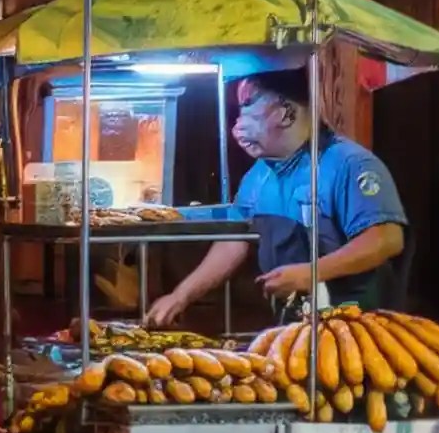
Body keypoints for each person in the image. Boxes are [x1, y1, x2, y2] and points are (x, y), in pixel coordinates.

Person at [145, 68, 409, 326]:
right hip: (294, 327)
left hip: (357, 326)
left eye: (247, 107)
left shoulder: (349, 165)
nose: (238, 125)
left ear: (286, 113)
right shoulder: (258, 176)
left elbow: (386, 239)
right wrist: (181, 295)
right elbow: (234, 242)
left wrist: (311, 273)